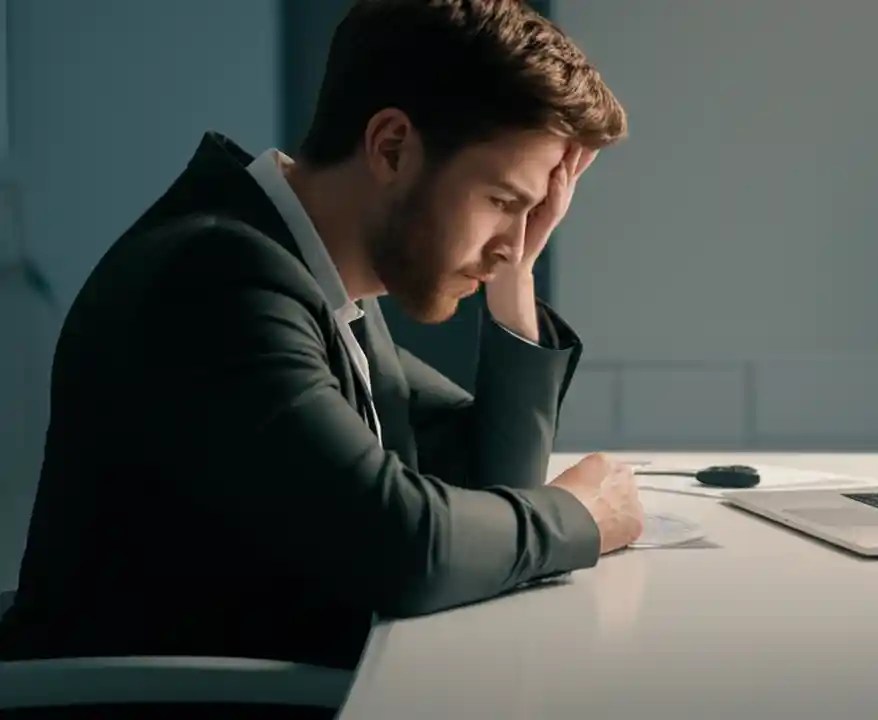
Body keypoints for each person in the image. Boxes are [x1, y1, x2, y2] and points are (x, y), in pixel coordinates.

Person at [0, 0, 644, 681]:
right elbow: (403, 548)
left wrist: (514, 276)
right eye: (503, 202)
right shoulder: (219, 280)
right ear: (391, 147)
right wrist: (580, 515)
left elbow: (486, 480)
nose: (511, 242)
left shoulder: (319, 280)